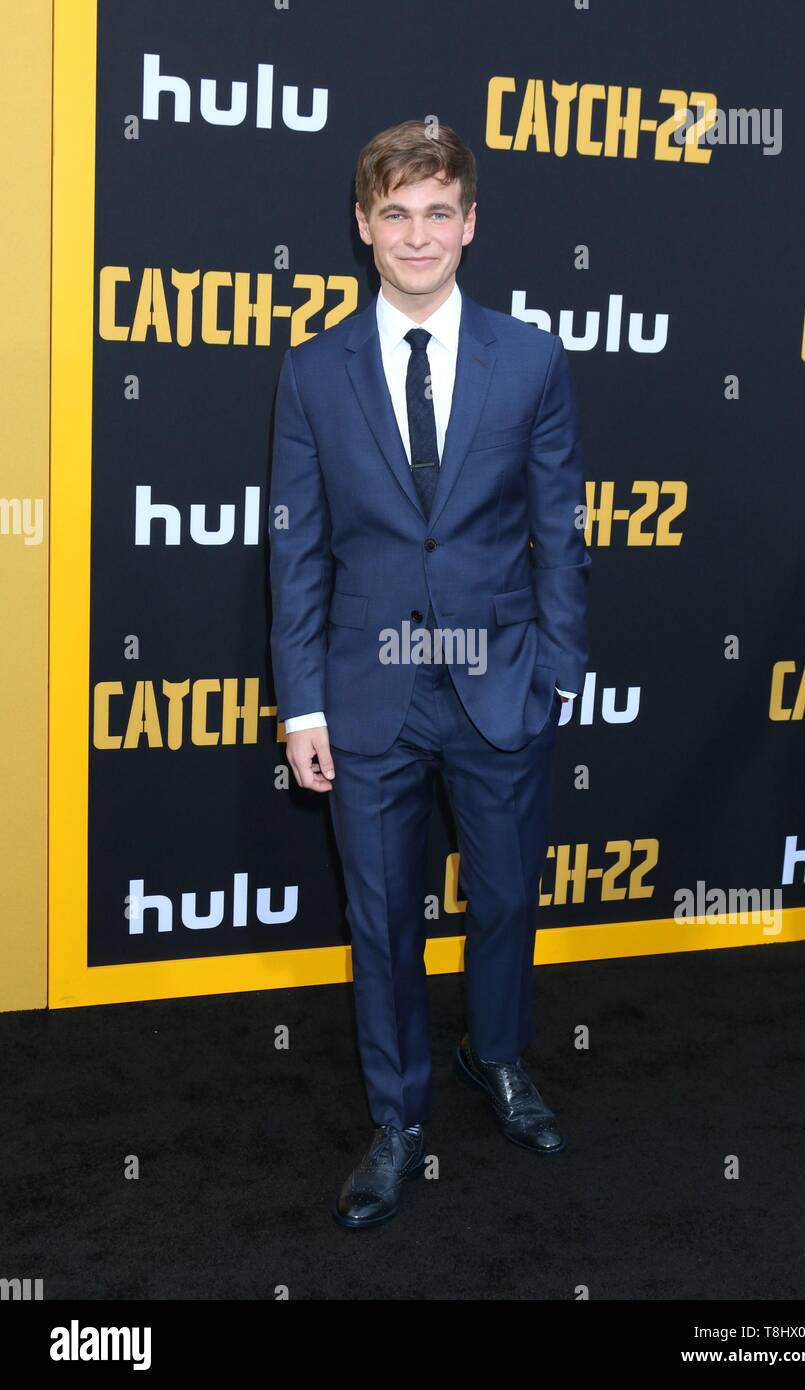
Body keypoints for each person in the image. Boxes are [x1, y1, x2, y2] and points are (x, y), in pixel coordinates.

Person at [268, 119, 591, 1229]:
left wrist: (557, 666)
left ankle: (494, 1058)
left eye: (437, 211)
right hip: (366, 695)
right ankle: (397, 1115)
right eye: (394, 213)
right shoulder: (312, 371)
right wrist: (299, 700)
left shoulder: (531, 358)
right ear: (362, 227)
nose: (417, 234)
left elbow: (560, 521)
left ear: (469, 223)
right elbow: (297, 546)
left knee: (504, 899)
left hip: (499, 683)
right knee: (380, 919)